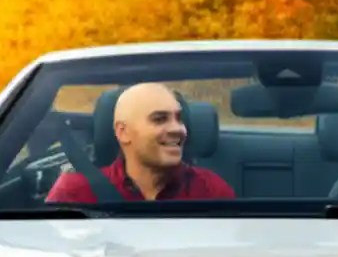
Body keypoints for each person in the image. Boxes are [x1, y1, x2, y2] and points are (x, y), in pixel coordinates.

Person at [45, 82, 235, 202]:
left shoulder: (212, 190)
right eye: (160, 119)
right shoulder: (74, 193)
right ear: (123, 132)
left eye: (179, 119)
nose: (178, 129)